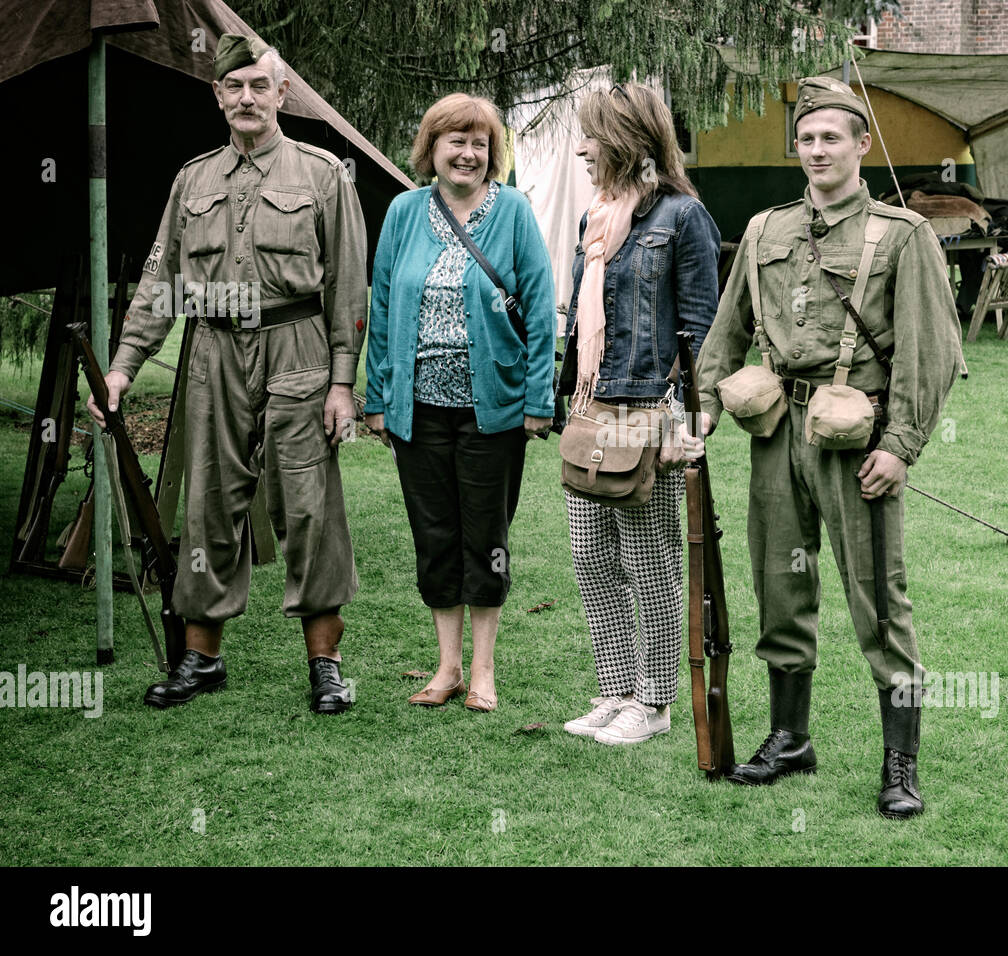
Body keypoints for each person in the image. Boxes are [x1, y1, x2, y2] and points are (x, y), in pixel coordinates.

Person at [689, 76, 962, 816]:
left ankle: (899, 765)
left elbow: (928, 354)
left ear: (861, 145)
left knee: (878, 599)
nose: (816, 150)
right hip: (777, 432)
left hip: (856, 438)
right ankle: (790, 737)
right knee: (780, 585)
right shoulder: (766, 230)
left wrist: (901, 445)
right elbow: (728, 328)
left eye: (830, 137)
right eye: (806, 139)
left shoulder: (902, 235)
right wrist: (706, 406)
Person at [88, 34, 366, 715]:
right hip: (212, 352)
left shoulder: (323, 173)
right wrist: (123, 369)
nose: (246, 97)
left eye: (258, 86)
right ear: (217, 96)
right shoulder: (193, 180)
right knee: (207, 502)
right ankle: (201, 659)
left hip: (295, 345)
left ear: (281, 95)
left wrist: (340, 384)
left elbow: (350, 291)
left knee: (309, 507)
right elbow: (161, 285)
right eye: (233, 86)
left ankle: (325, 665)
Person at [363, 94, 555, 714]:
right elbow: (385, 306)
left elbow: (540, 308)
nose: (467, 153)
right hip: (418, 409)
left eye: (479, 143)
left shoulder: (516, 212)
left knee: (487, 535)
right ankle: (446, 668)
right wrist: (378, 396)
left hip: (491, 409)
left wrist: (537, 399)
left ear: (492, 152)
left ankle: (484, 672)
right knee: (436, 535)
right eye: (455, 140)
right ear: (432, 148)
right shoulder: (403, 211)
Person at [556, 83, 721, 745]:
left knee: (649, 562)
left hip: (647, 408)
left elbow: (703, 328)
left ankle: (653, 703)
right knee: (590, 556)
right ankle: (617, 689)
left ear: (624, 138)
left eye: (591, 135)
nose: (581, 148)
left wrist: (689, 420)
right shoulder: (596, 216)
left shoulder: (684, 218)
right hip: (593, 405)